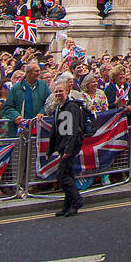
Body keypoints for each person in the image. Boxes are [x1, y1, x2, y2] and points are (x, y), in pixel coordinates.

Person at [48, 78, 90, 217]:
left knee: (61, 175)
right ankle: (68, 206)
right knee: (68, 175)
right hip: (63, 145)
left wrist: (68, 149)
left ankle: (77, 201)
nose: (58, 93)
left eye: (61, 91)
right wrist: (50, 149)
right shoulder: (58, 108)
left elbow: (72, 130)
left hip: (70, 145)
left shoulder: (71, 107)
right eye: (56, 91)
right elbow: (56, 130)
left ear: (67, 91)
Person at [2, 62, 50, 135]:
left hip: (38, 129)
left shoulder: (43, 86)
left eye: (39, 71)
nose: (39, 73)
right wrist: (16, 116)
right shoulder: (16, 88)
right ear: (28, 73)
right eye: (36, 71)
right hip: (20, 129)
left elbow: (49, 103)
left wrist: (42, 112)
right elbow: (7, 107)